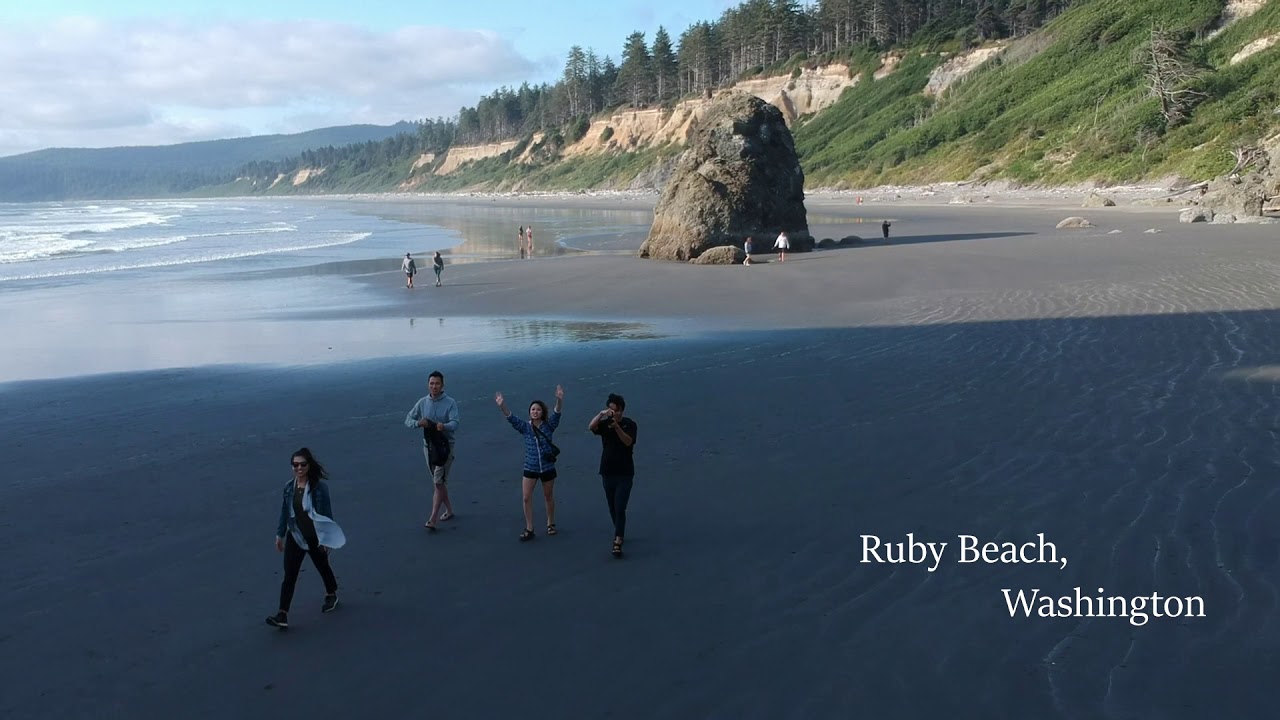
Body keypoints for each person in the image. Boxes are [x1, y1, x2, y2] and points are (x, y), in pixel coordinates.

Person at [266, 447, 345, 630]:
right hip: (296, 535)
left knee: (322, 566)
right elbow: (285, 513)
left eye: (302, 464)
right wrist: (280, 535)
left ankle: (331, 593)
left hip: (315, 537)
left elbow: (326, 514)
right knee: (289, 576)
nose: (299, 468)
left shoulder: (319, 488)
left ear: (309, 466)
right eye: (295, 465)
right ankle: (282, 614)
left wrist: (326, 540)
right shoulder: (288, 488)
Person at [495, 385, 563, 541]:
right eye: (533, 409)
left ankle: (550, 523)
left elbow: (557, 413)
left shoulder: (548, 426)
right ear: (529, 412)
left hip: (547, 467)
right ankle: (529, 527)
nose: (535, 412)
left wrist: (559, 399)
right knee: (526, 497)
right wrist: (502, 405)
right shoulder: (525, 427)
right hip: (530, 466)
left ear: (542, 412)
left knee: (548, 496)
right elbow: (511, 418)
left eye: (538, 409)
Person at [404, 370, 460, 531]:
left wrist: (444, 426)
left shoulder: (450, 402)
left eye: (437, 383)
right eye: (431, 383)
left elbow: (455, 423)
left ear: (442, 385)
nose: (434, 386)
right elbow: (408, 419)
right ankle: (449, 510)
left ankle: (433, 518)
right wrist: (417, 423)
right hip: (428, 448)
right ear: (428, 385)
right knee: (439, 483)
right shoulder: (422, 402)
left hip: (445, 447)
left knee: (437, 482)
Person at [588, 393, 637, 558]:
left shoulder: (630, 424)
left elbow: (628, 442)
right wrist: (601, 415)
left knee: (620, 506)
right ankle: (619, 529)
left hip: (624, 473)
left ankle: (618, 540)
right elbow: (591, 427)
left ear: (621, 410)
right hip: (607, 471)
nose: (612, 413)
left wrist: (617, 427)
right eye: (610, 410)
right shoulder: (605, 424)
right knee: (612, 506)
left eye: (615, 410)